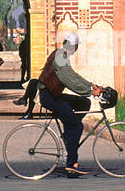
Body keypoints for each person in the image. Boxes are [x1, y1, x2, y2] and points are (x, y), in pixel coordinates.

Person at [37, 31, 108, 174]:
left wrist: (91, 85)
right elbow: (67, 80)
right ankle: (71, 163)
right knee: (76, 126)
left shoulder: (62, 55)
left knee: (84, 103)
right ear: (73, 46)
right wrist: (89, 91)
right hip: (49, 97)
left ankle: (69, 134)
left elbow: (72, 75)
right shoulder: (60, 56)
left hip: (53, 95)